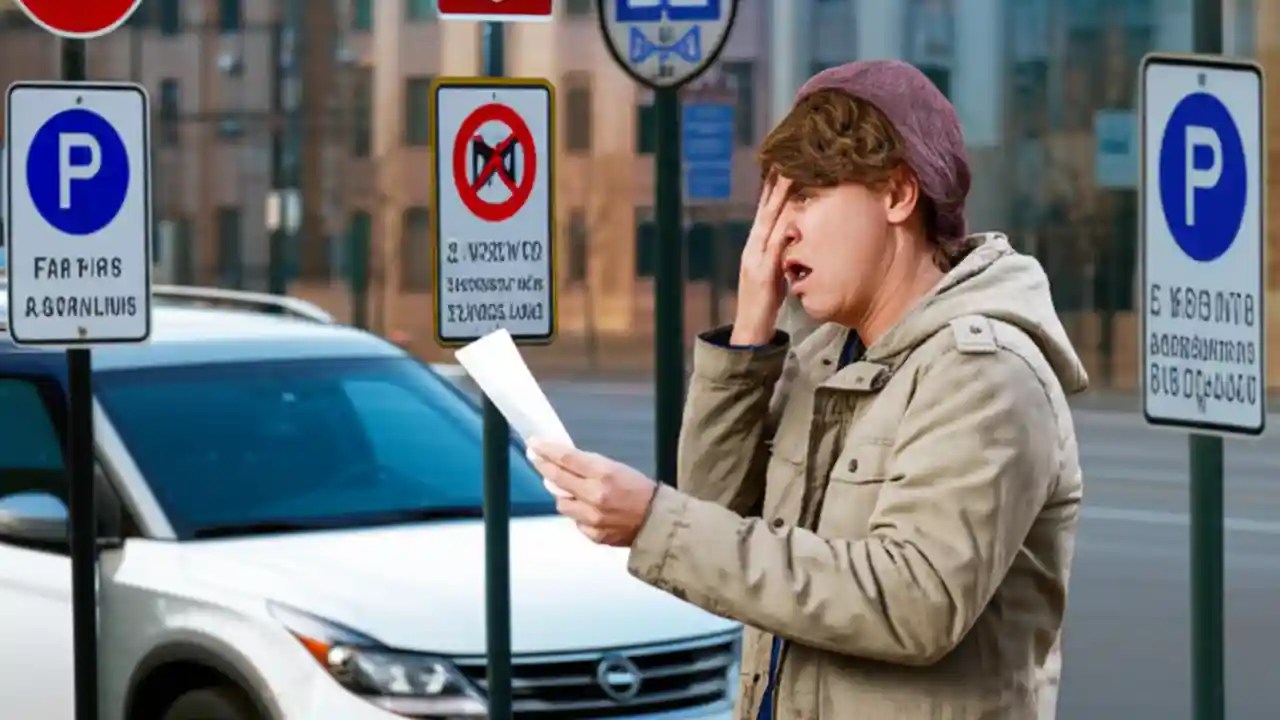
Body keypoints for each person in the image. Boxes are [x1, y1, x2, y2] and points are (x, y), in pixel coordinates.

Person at [527, 59, 1088, 719]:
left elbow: (915, 604)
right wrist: (749, 334)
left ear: (897, 195)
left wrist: (654, 520)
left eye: (807, 196)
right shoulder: (819, 359)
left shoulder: (985, 372)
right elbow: (716, 523)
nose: (777, 231)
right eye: (773, 201)